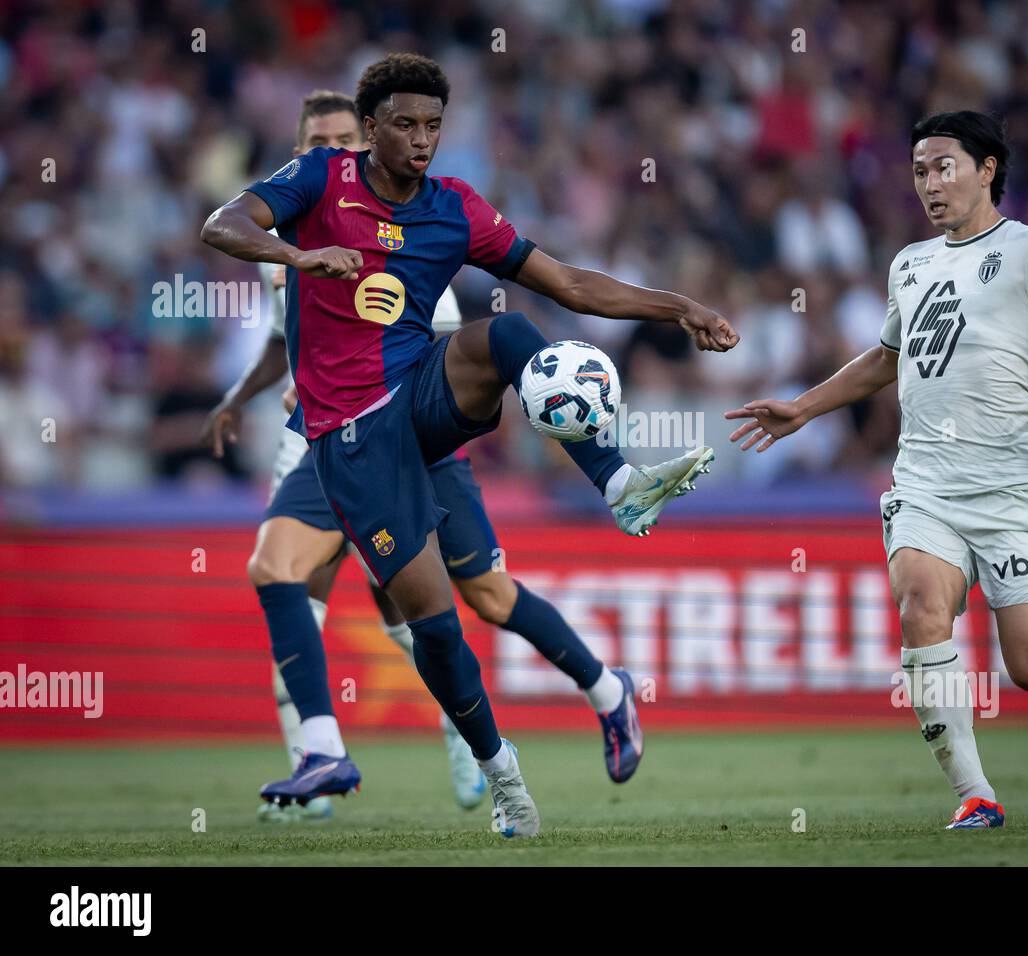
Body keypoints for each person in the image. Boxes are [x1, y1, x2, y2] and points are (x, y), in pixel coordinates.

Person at [201, 54, 737, 838]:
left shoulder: (453, 207)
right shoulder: (319, 179)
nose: (423, 141)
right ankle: (502, 772)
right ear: (372, 127)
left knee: (512, 330)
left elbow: (571, 284)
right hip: (351, 440)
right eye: (407, 125)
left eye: (434, 126)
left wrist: (677, 305)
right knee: (439, 626)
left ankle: (619, 481)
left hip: (419, 397)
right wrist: (296, 254)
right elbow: (220, 225)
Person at [726, 110, 1028, 830]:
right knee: (921, 608)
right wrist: (805, 408)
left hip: (1012, 491)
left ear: (986, 170)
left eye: (944, 165)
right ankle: (976, 794)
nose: (929, 183)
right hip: (924, 483)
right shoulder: (908, 264)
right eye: (919, 170)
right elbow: (886, 360)